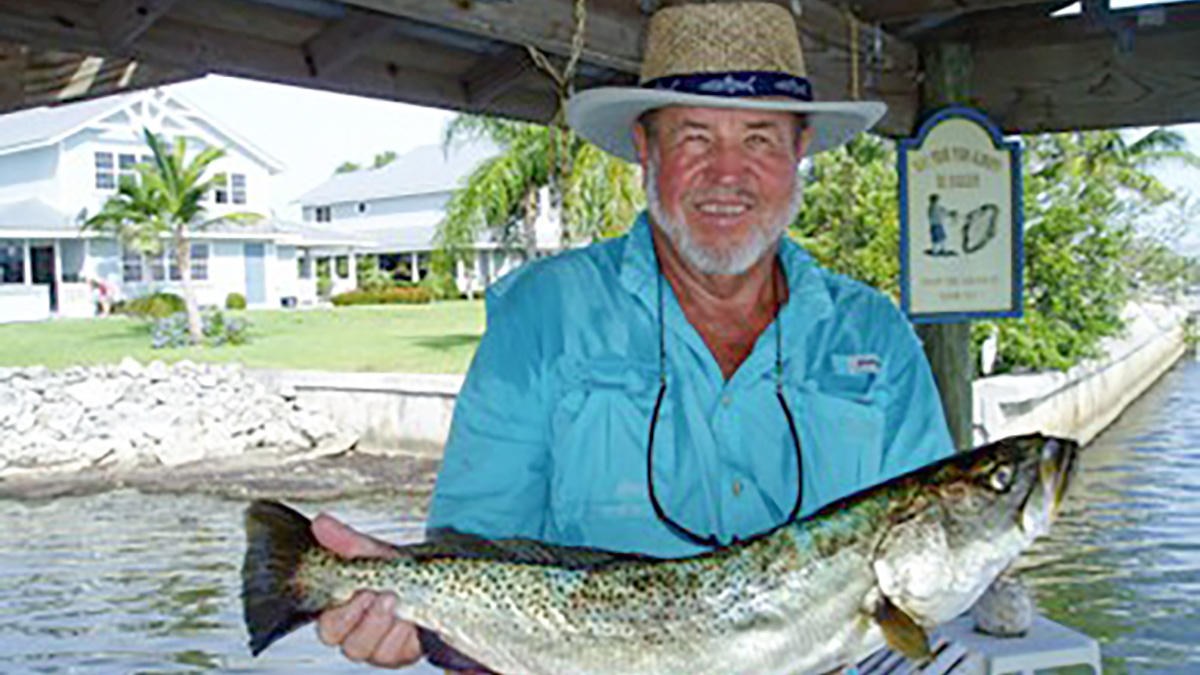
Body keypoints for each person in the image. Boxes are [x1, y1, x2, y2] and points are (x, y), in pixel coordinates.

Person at [312, 1, 955, 669]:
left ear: (800, 154)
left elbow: (922, 566)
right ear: (647, 151)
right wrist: (416, 614)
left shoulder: (875, 334)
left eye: (760, 138)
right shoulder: (542, 316)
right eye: (695, 137)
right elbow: (480, 555)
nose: (727, 173)